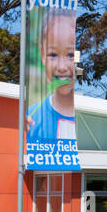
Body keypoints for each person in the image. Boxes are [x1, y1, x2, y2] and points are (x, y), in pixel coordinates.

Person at [26, 9, 77, 144]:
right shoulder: (31, 118)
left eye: (70, 55)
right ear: (42, 54)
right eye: (53, 55)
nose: (62, 67)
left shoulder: (88, 116)